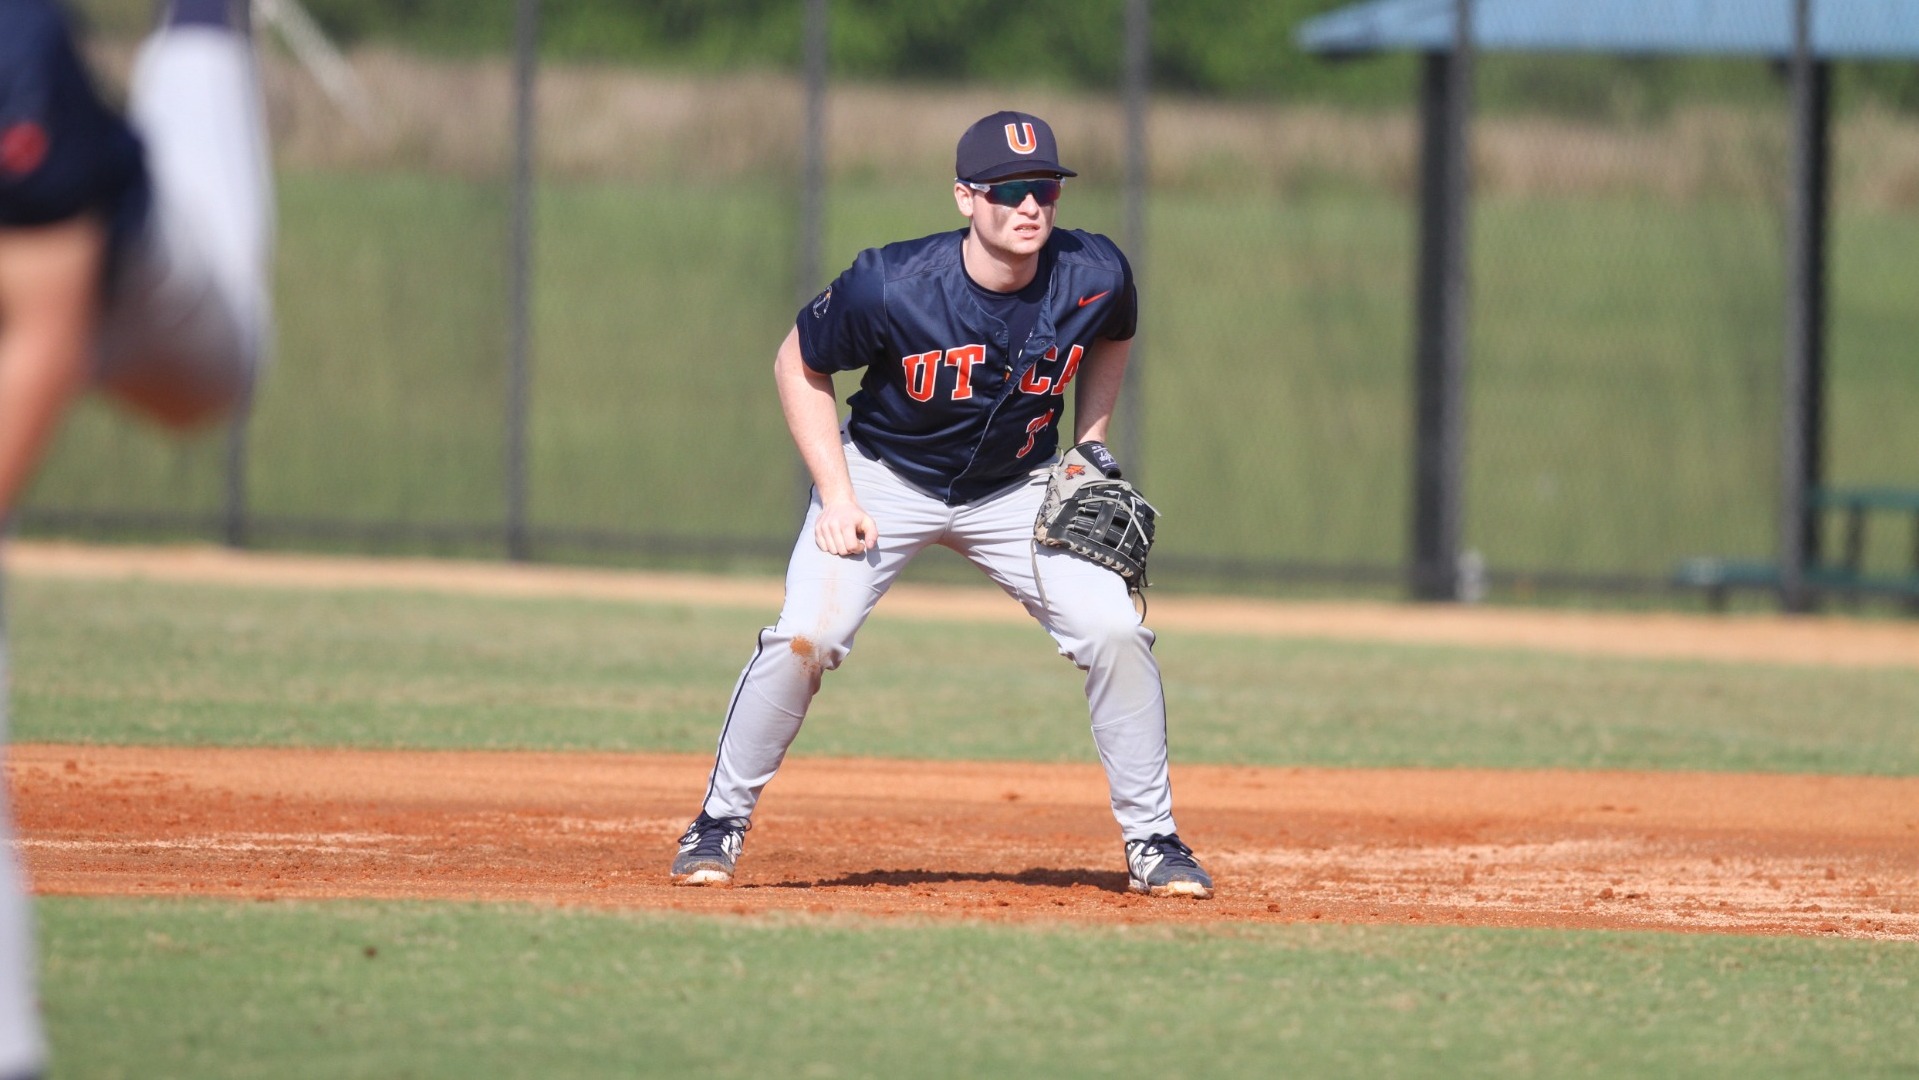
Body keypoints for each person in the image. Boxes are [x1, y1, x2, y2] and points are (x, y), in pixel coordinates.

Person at [670, 111, 1212, 900]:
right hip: (886, 477)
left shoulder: (1094, 270)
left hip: (1018, 488)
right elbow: (797, 362)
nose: (1031, 206)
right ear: (965, 198)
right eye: (1009, 190)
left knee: (1113, 630)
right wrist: (836, 494)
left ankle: (1154, 842)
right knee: (806, 637)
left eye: (1045, 190)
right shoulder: (890, 285)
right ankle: (717, 820)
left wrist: (1089, 442)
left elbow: (1114, 333)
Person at [0, 1, 272, 1073]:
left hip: (120, 277)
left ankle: (203, 26)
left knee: (227, 359)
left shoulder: (13, 59)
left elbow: (43, 328)